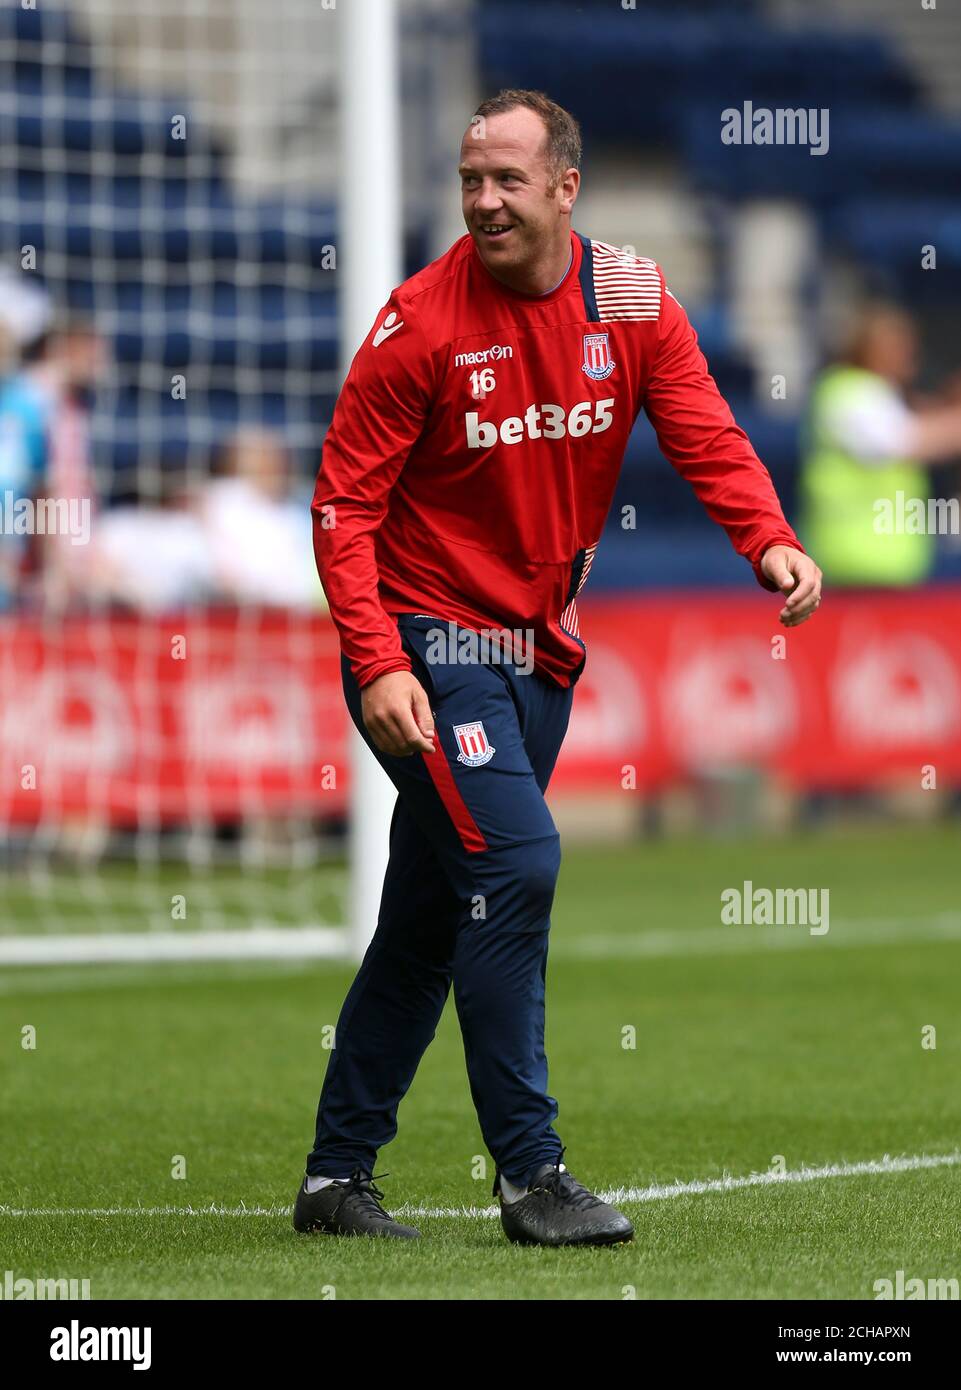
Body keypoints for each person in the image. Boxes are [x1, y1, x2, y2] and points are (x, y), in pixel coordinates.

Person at [295, 89, 821, 1247]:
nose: (481, 199)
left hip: (537, 649)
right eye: (469, 178)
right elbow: (341, 504)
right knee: (520, 861)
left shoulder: (627, 296)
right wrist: (378, 660)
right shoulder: (418, 325)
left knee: (429, 920)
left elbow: (698, 422)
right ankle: (532, 1174)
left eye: (505, 180)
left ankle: (336, 1177)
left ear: (564, 189)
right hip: (430, 644)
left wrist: (767, 535)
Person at [799, 303, 961, 586]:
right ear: (867, 347)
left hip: (887, 566)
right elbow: (907, 441)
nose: (907, 354)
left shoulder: (881, 394)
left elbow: (919, 418)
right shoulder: (849, 391)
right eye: (895, 346)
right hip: (852, 565)